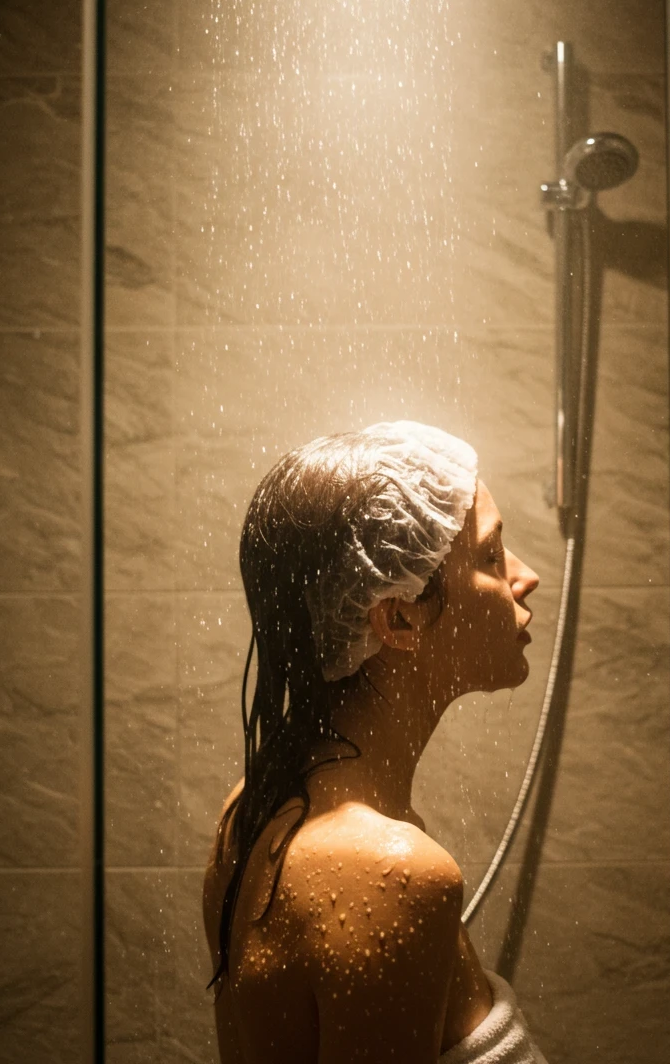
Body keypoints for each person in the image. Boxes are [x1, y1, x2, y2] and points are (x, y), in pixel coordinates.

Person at [202, 421, 548, 1063]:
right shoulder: (389, 872)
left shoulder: (253, 807)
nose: (526, 577)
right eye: (494, 555)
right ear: (399, 617)